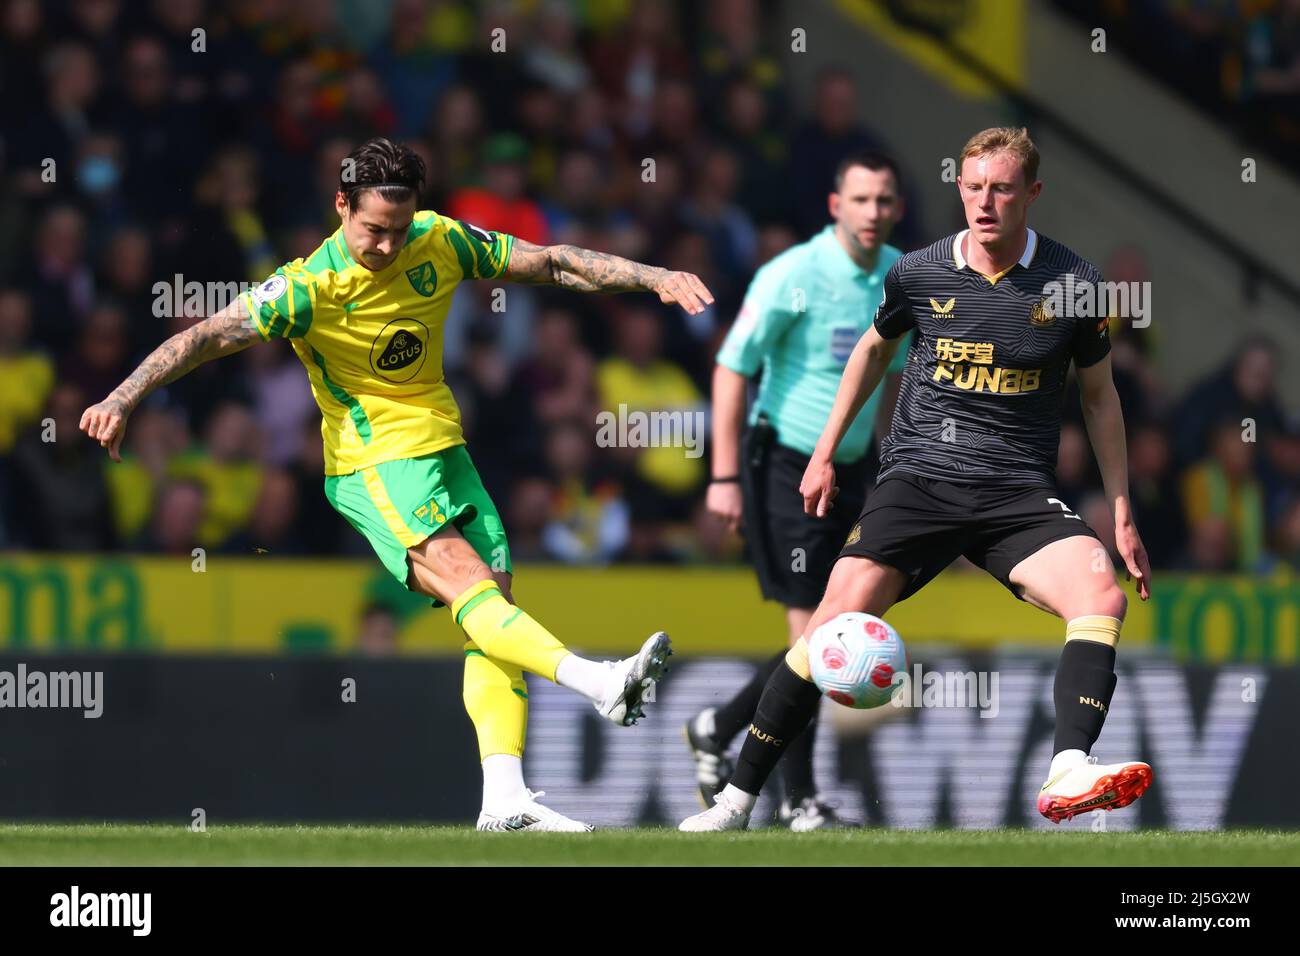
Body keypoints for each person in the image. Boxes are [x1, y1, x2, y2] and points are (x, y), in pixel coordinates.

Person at [81, 137, 714, 832]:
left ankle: (504, 797)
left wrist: (652, 275)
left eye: (398, 229)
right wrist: (122, 396)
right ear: (341, 205)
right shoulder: (306, 287)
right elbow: (204, 336)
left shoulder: (439, 240)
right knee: (472, 587)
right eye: (372, 230)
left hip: (445, 446)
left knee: (491, 613)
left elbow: (553, 264)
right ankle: (599, 682)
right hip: (374, 461)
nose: (386, 245)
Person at [681, 127, 1154, 831]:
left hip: (1016, 492)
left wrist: (1120, 510)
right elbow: (873, 352)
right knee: (827, 627)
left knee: (1101, 595)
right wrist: (823, 452)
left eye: (1000, 188)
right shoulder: (919, 273)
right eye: (971, 188)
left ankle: (1068, 769)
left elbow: (1099, 397)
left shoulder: (1074, 284)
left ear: (1032, 192)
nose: (984, 203)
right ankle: (736, 800)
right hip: (920, 481)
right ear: (957, 189)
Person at [686, 151, 908, 830]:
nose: (873, 213)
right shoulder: (792, 276)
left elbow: (892, 374)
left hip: (854, 468)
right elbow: (731, 369)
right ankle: (798, 800)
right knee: (817, 634)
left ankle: (718, 724)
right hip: (782, 465)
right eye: (861, 200)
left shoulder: (901, 275)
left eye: (884, 201)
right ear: (835, 205)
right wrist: (723, 476)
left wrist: (895, 458)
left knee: (830, 630)